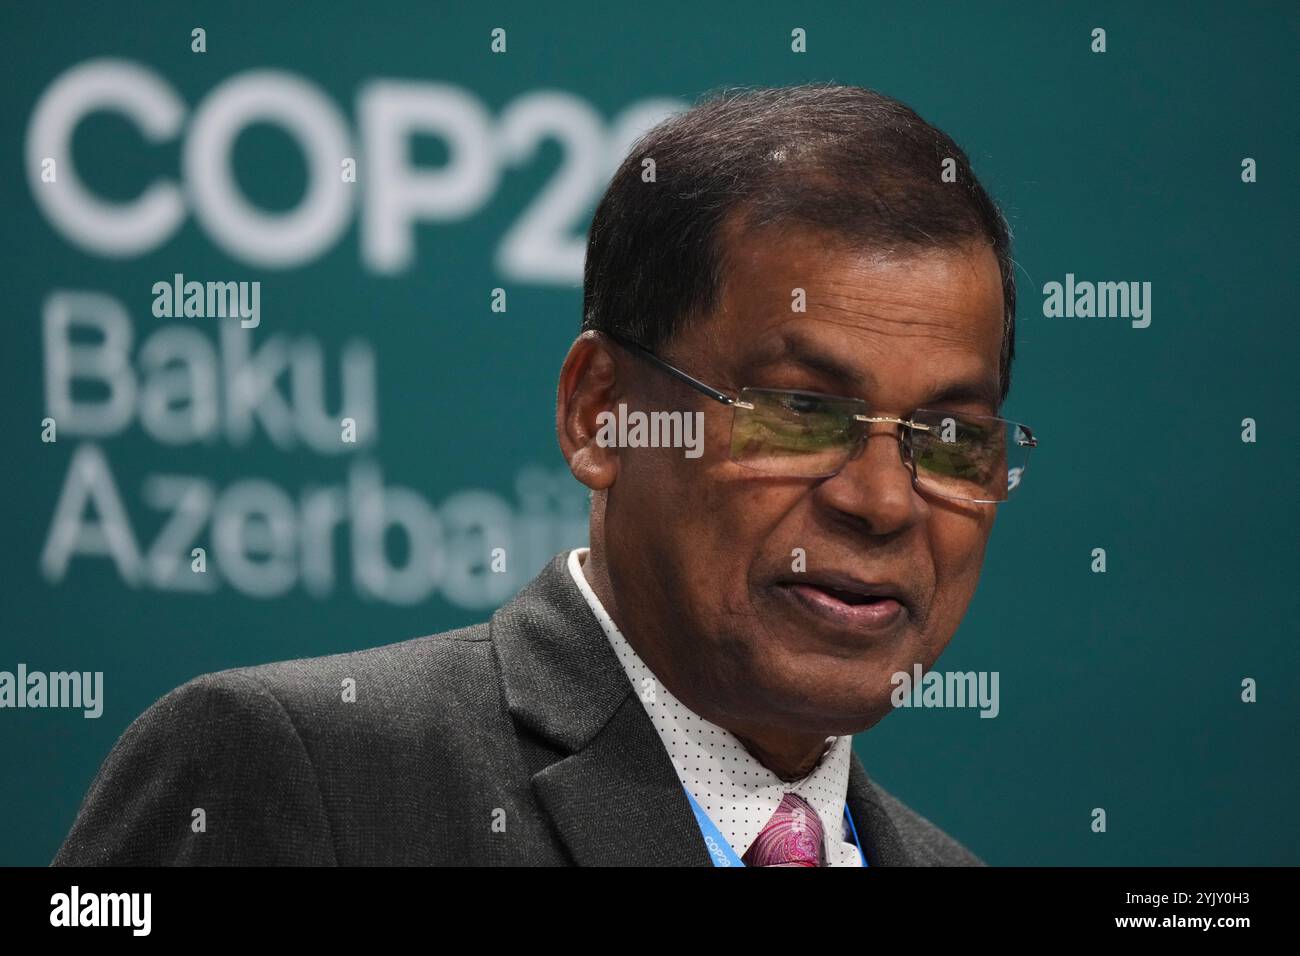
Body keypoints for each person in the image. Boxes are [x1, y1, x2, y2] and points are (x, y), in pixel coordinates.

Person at [53, 82, 1035, 867]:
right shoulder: (297, 772)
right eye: (798, 411)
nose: (879, 499)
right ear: (599, 411)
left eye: (949, 434)